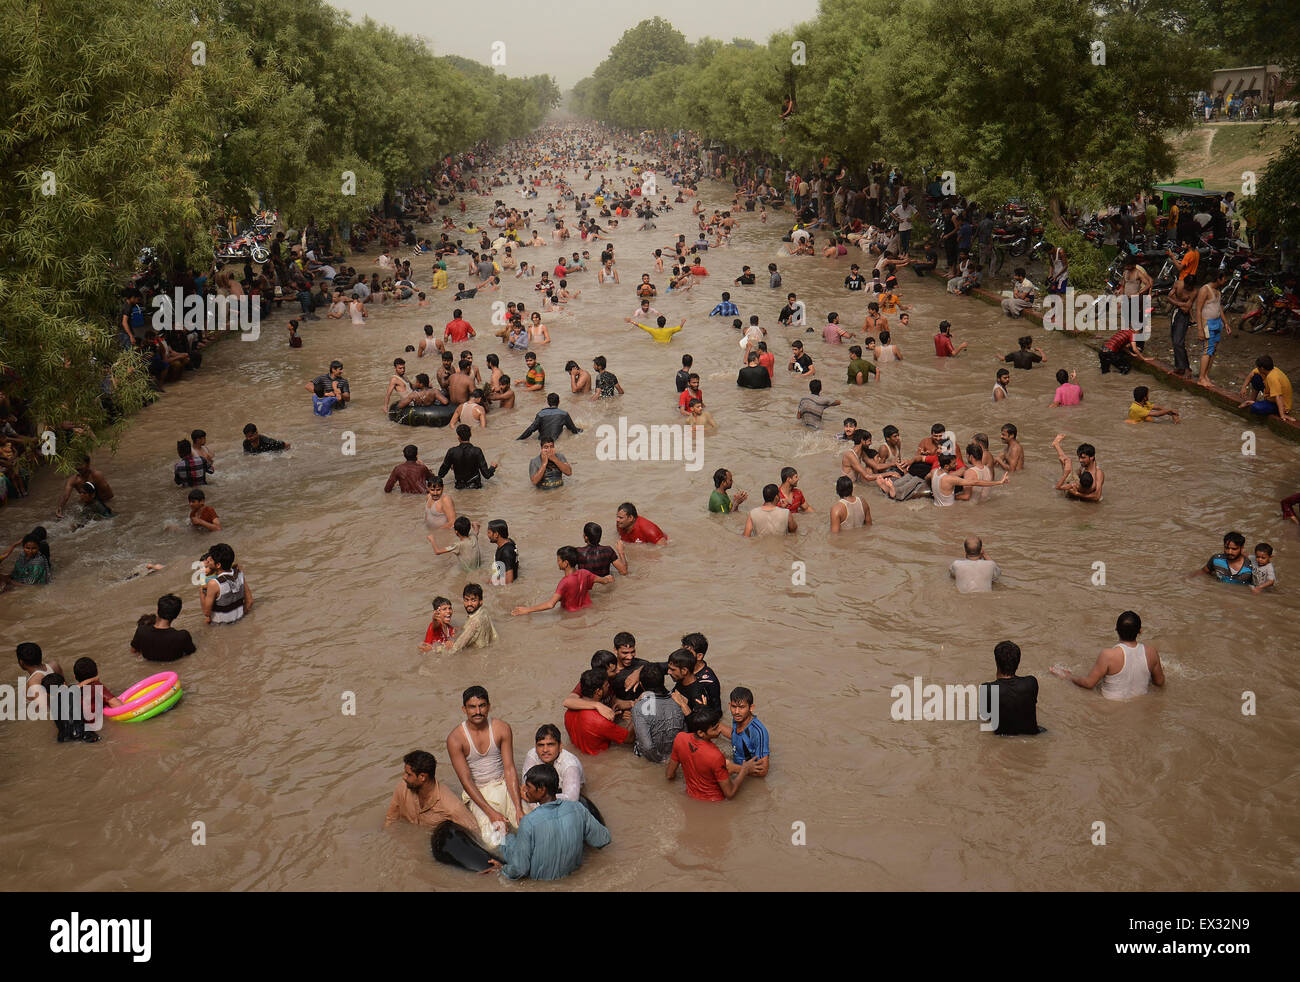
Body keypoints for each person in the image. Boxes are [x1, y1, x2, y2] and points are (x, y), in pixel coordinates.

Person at [487, 763, 611, 881]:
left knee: (507, 839)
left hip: (540, 882)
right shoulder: (578, 808)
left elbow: (520, 870)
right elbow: (603, 839)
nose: (525, 791)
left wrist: (502, 869)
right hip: (572, 875)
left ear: (542, 790)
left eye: (528, 787)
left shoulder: (529, 822)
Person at [445, 686, 524, 843]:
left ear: (489, 706)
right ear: (464, 709)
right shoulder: (455, 739)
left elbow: (509, 768)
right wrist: (491, 813)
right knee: (494, 841)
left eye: (481, 706)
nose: (478, 711)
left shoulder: (502, 728)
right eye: (472, 707)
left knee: (527, 824)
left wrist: (518, 808)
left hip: (504, 785)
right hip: (479, 793)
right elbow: (466, 780)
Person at [1050, 610, 1165, 699]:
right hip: (1140, 703)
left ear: (1116, 630)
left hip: (1110, 705)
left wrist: (1068, 677)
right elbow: (1159, 682)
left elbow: (1089, 683)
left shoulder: (1108, 655)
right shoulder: (1151, 653)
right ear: (1140, 631)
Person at [666, 706, 758, 801]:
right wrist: (744, 770)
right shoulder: (715, 756)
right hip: (715, 802)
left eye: (718, 726)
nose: (719, 730)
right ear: (701, 733)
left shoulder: (680, 738)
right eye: (715, 729)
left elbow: (669, 775)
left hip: (690, 797)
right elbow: (730, 793)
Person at [383, 750, 478, 832]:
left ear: (422, 777)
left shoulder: (451, 806)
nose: (404, 777)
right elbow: (391, 819)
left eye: (408, 774)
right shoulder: (402, 788)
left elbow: (475, 830)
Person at [512, 546, 614, 616]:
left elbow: (550, 604)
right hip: (586, 611)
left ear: (565, 563)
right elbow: (603, 581)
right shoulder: (585, 573)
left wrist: (527, 610)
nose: (557, 563)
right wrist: (609, 578)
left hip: (570, 615)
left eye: (558, 560)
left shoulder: (565, 582)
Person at [978, 642, 1042, 736]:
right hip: (1032, 736)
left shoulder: (987, 689)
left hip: (1002, 738)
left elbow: (986, 718)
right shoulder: (1031, 682)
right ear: (1018, 663)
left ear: (996, 662)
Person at [564, 669, 633, 755]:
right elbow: (630, 738)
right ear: (598, 692)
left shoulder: (569, 711)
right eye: (607, 685)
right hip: (602, 757)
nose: (609, 686)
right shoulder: (600, 721)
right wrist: (635, 716)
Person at [519, 724, 585, 811]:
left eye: (550, 744)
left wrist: (539, 797)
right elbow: (526, 788)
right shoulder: (532, 755)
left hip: (565, 794)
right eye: (541, 745)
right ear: (535, 747)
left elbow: (572, 799)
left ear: (560, 746)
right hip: (541, 794)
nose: (545, 750)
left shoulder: (570, 765)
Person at [131, 594, 197, 661]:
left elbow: (134, 651)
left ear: (157, 610)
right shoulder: (182, 636)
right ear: (176, 615)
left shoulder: (141, 631)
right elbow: (191, 653)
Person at [1194, 270, 1231, 387]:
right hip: (1207, 323)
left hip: (1217, 323)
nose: (1225, 281)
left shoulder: (1218, 292)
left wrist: (1226, 323)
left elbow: (1219, 308)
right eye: (1224, 279)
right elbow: (1198, 309)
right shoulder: (1205, 289)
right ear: (1218, 279)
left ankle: (1206, 375)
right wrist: (1200, 329)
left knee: (1213, 351)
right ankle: (1201, 378)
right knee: (1207, 350)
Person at [200, 542, 251, 624]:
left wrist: (201, 590)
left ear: (218, 565)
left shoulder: (214, 584)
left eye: (211, 559)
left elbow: (206, 612)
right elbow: (250, 601)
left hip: (220, 626)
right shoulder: (239, 573)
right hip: (239, 621)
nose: (208, 560)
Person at [931, 454, 1009, 506]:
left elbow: (927, 478)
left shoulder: (933, 472)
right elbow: (975, 482)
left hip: (936, 506)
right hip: (949, 512)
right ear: (946, 466)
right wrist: (999, 482)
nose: (956, 464)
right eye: (954, 464)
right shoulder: (951, 479)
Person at [725, 687, 770, 776]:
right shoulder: (737, 719)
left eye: (742, 707)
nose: (736, 712)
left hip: (748, 776)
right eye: (734, 707)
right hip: (737, 768)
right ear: (729, 706)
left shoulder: (758, 732)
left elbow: (763, 770)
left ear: (751, 707)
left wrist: (734, 768)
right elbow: (738, 736)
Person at [437, 424, 498, 490]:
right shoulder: (477, 451)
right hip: (475, 487)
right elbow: (486, 475)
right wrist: (493, 467)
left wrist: (452, 464)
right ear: (470, 435)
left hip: (459, 487)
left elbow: (441, 474)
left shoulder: (452, 452)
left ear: (458, 437)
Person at [1238, 355, 1295, 421]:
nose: (1257, 368)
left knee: (1255, 408)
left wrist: (1282, 415)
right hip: (1271, 397)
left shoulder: (1272, 377)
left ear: (1262, 368)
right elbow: (1251, 374)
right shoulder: (1271, 369)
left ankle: (1252, 403)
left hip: (1281, 405)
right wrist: (1244, 387)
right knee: (1256, 377)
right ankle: (1252, 400)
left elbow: (1279, 397)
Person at [485, 520, 518, 584]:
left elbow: (509, 581)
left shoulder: (506, 552)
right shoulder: (510, 541)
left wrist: (491, 582)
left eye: (489, 532)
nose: (488, 535)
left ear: (496, 534)